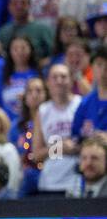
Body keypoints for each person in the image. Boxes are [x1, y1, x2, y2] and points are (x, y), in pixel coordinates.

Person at [31, 63, 83, 194]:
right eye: (54, 77)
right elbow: (36, 155)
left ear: (71, 81)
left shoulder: (82, 104)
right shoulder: (42, 111)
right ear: (47, 83)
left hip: (77, 182)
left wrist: (77, 148)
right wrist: (59, 147)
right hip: (49, 184)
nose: (59, 81)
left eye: (63, 76)